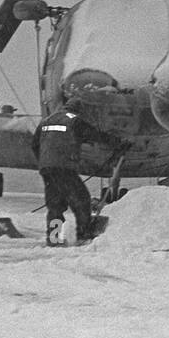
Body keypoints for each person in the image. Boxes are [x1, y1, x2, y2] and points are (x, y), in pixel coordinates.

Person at [31, 97, 111, 245]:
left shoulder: (47, 120)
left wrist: (45, 161)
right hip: (64, 167)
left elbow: (35, 144)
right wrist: (116, 142)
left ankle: (54, 238)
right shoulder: (74, 120)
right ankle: (84, 235)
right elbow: (95, 135)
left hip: (48, 168)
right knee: (81, 200)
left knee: (55, 204)